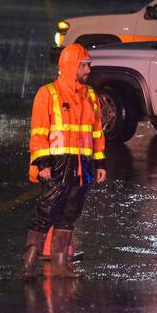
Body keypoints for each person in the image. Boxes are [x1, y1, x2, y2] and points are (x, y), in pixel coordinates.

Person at [20, 43, 106, 278]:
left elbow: (96, 132)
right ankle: (28, 263)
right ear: (72, 67)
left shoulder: (90, 95)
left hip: (83, 165)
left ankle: (60, 266)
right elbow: (39, 132)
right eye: (84, 65)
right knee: (46, 211)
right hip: (57, 165)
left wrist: (100, 163)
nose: (89, 69)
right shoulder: (47, 93)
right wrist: (43, 163)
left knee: (69, 213)